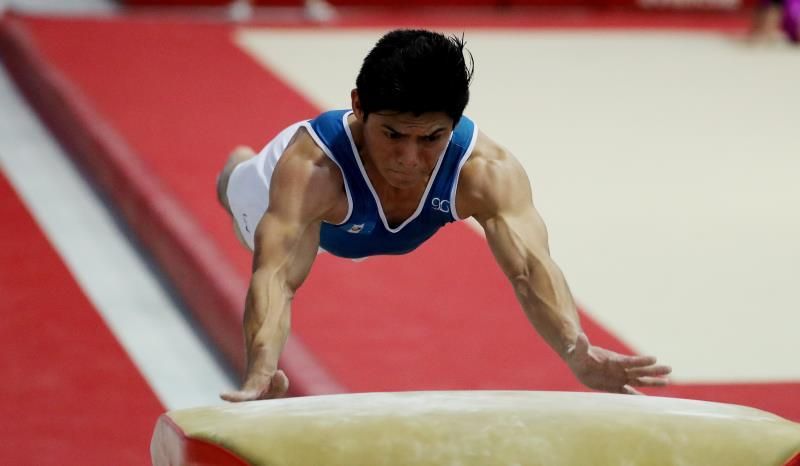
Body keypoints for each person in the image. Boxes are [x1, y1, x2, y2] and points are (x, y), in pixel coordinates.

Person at [217, 29, 672, 402]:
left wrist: (574, 348)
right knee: (240, 202)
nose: (408, 159)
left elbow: (530, 269)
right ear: (357, 106)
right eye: (392, 134)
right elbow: (277, 278)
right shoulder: (313, 169)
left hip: (353, 226)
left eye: (431, 138)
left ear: (455, 123)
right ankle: (236, 168)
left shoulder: (484, 171)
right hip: (285, 202)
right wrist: (261, 367)